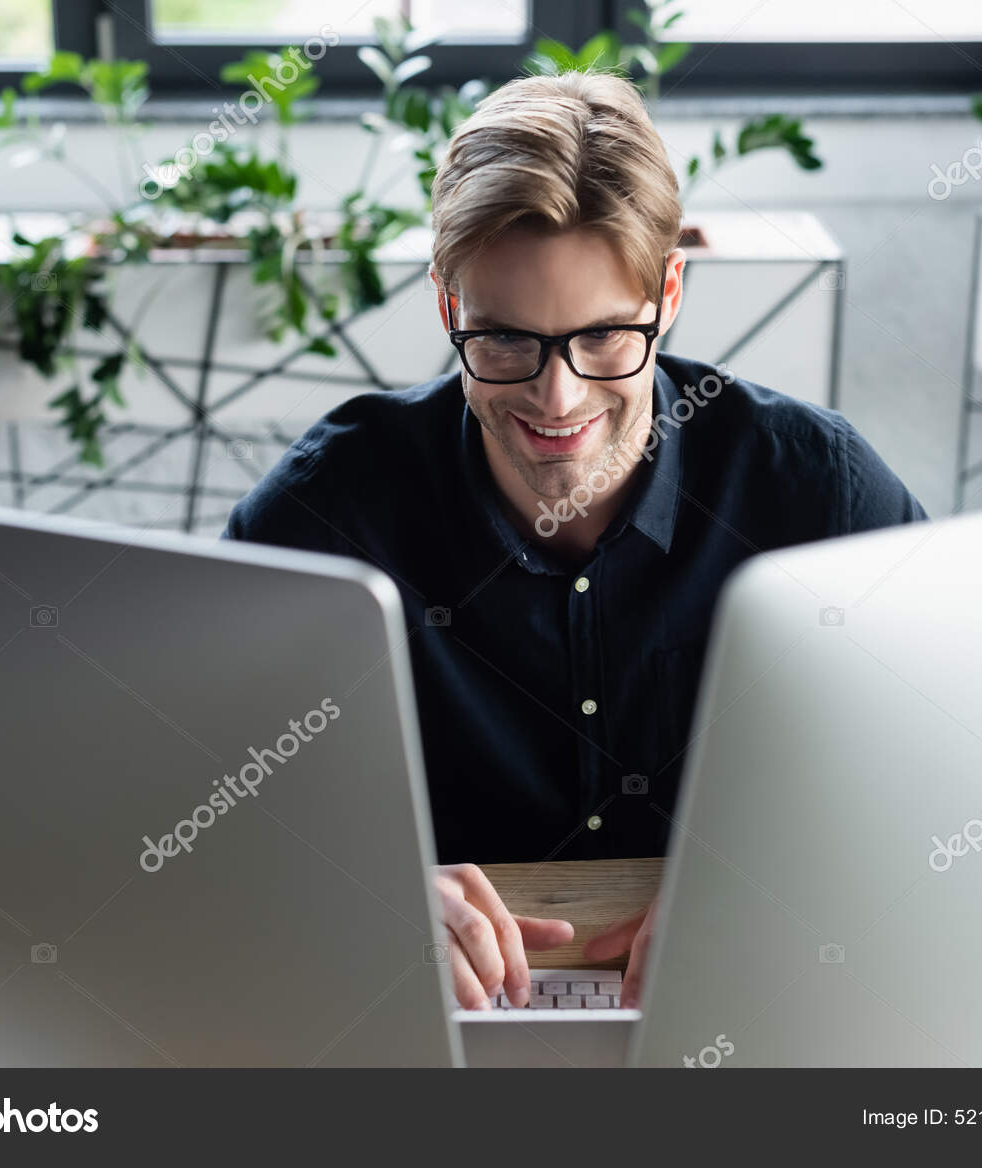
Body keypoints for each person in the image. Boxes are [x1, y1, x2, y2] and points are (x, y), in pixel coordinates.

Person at [224, 70, 927, 1011]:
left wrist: (776, 893)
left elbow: (942, 773)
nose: (556, 400)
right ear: (447, 307)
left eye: (603, 338)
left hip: (751, 996)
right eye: (506, 341)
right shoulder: (329, 511)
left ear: (669, 292)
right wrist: (350, 892)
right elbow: (213, 805)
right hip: (424, 1010)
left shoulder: (815, 489)